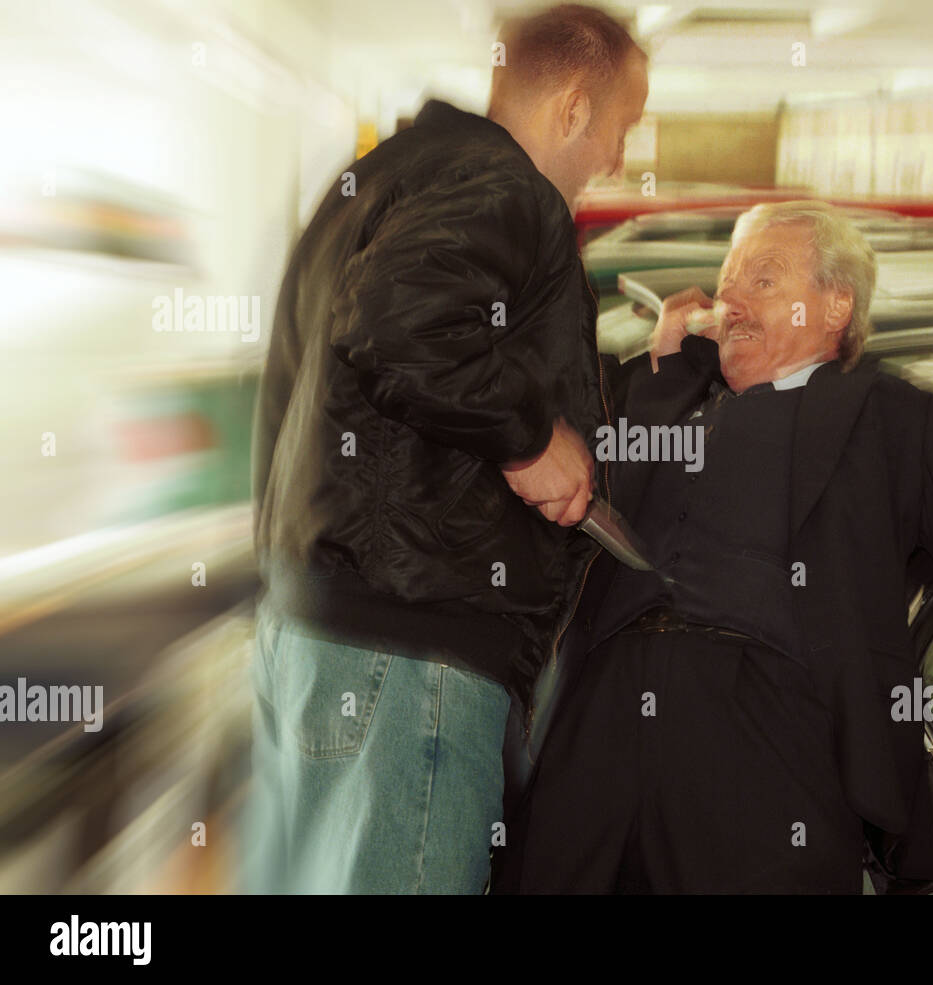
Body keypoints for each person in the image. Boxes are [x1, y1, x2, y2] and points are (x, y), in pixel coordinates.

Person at [496, 201, 933, 894]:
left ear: (835, 306)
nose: (731, 298)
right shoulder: (656, 394)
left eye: (763, 279)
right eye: (727, 281)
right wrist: (660, 366)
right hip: (597, 737)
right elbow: (516, 402)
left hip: (768, 749)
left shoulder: (894, 421)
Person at [244, 5, 648, 894]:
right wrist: (531, 441)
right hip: (408, 652)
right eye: (623, 127)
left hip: (310, 628)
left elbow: (383, 351)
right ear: (575, 108)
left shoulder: (384, 174)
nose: (620, 158)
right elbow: (395, 327)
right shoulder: (509, 191)